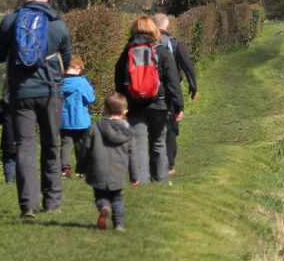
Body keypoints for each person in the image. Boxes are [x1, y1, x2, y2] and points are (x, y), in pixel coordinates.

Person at [0, 0, 71, 217]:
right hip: (50, 92)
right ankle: (53, 202)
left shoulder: (10, 21)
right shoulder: (57, 23)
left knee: (25, 147)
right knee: (51, 145)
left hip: (21, 93)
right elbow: (66, 59)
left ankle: (28, 205)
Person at [114, 15, 182, 185]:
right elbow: (172, 80)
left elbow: (119, 78)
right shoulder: (161, 51)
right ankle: (159, 181)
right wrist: (178, 105)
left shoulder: (128, 51)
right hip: (159, 104)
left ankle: (141, 183)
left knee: (138, 144)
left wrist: (124, 101)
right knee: (158, 142)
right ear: (154, 30)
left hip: (135, 105)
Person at [79, 92, 134, 231]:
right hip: (118, 170)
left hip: (98, 169)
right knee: (116, 198)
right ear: (125, 111)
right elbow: (133, 155)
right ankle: (118, 224)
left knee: (100, 195)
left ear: (105, 109)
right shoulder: (127, 132)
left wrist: (81, 168)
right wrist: (134, 175)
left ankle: (103, 207)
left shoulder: (95, 127)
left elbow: (85, 148)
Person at [152, 13, 197, 176]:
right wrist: (193, 87)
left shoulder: (144, 44)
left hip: (148, 91)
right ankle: (169, 164)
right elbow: (188, 67)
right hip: (170, 91)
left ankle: (152, 164)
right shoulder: (174, 43)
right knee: (170, 126)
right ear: (168, 27)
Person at [60, 55, 96, 177]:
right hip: (81, 119)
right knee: (81, 144)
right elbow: (90, 99)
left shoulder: (59, 82)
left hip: (64, 119)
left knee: (66, 144)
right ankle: (82, 170)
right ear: (77, 67)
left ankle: (65, 169)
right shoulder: (81, 82)